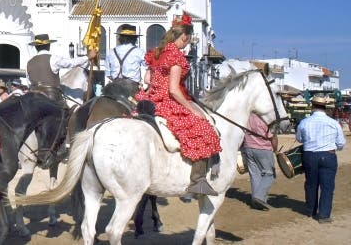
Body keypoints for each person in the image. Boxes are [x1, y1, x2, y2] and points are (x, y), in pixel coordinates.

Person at [135, 14, 221, 195]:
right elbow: (174, 90)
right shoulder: (176, 57)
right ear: (184, 37)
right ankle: (197, 180)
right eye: (186, 41)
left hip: (149, 98)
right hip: (166, 101)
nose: (186, 44)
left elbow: (147, 79)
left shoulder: (157, 53)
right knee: (203, 129)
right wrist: (191, 110)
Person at [296, 95, 345, 222]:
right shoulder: (334, 123)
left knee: (311, 184)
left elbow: (299, 139)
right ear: (325, 107)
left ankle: (310, 210)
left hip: (309, 155)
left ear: (312, 106)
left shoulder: (304, 122)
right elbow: (341, 143)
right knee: (327, 186)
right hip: (328, 155)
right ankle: (323, 215)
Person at [26, 33, 97, 103]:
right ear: (48, 46)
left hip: (33, 98)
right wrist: (87, 57)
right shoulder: (53, 59)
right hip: (52, 97)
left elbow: (29, 83)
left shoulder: (29, 63)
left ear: (36, 47)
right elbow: (71, 63)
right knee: (67, 112)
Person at [241, 112, 278, 210]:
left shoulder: (247, 115)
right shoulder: (267, 118)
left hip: (248, 147)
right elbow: (273, 137)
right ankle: (259, 197)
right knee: (270, 174)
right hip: (263, 148)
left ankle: (255, 201)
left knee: (254, 175)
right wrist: (275, 150)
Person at [104, 24, 148, 93]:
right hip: (132, 87)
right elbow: (148, 67)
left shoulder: (111, 52)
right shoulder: (139, 52)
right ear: (134, 39)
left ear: (120, 38)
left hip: (114, 86)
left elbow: (108, 74)